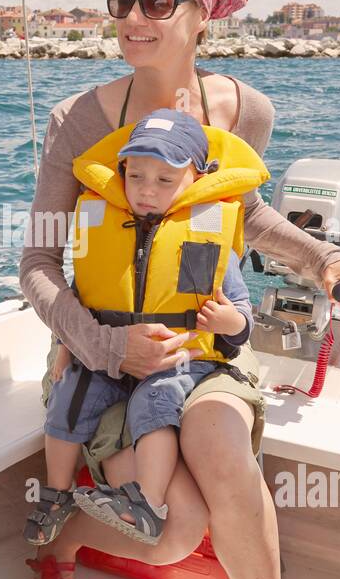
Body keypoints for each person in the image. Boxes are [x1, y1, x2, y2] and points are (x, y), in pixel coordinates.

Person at [19, 0, 340, 579]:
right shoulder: (78, 123)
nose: (133, 20)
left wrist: (325, 257)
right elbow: (38, 262)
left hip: (206, 349)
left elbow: (240, 213)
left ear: (201, 15)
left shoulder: (246, 111)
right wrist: (108, 346)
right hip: (102, 358)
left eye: (156, 2)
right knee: (176, 529)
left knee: (219, 448)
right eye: (122, 3)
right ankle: (57, 552)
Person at [26, 108, 265, 548]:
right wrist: (66, 344)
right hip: (104, 352)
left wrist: (229, 321)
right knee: (69, 396)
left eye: (164, 180)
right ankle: (55, 493)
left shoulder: (206, 229)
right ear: (121, 172)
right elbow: (83, 293)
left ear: (197, 177)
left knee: (154, 405)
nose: (146, 192)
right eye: (136, 177)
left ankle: (147, 504)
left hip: (176, 357)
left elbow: (242, 314)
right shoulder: (104, 222)